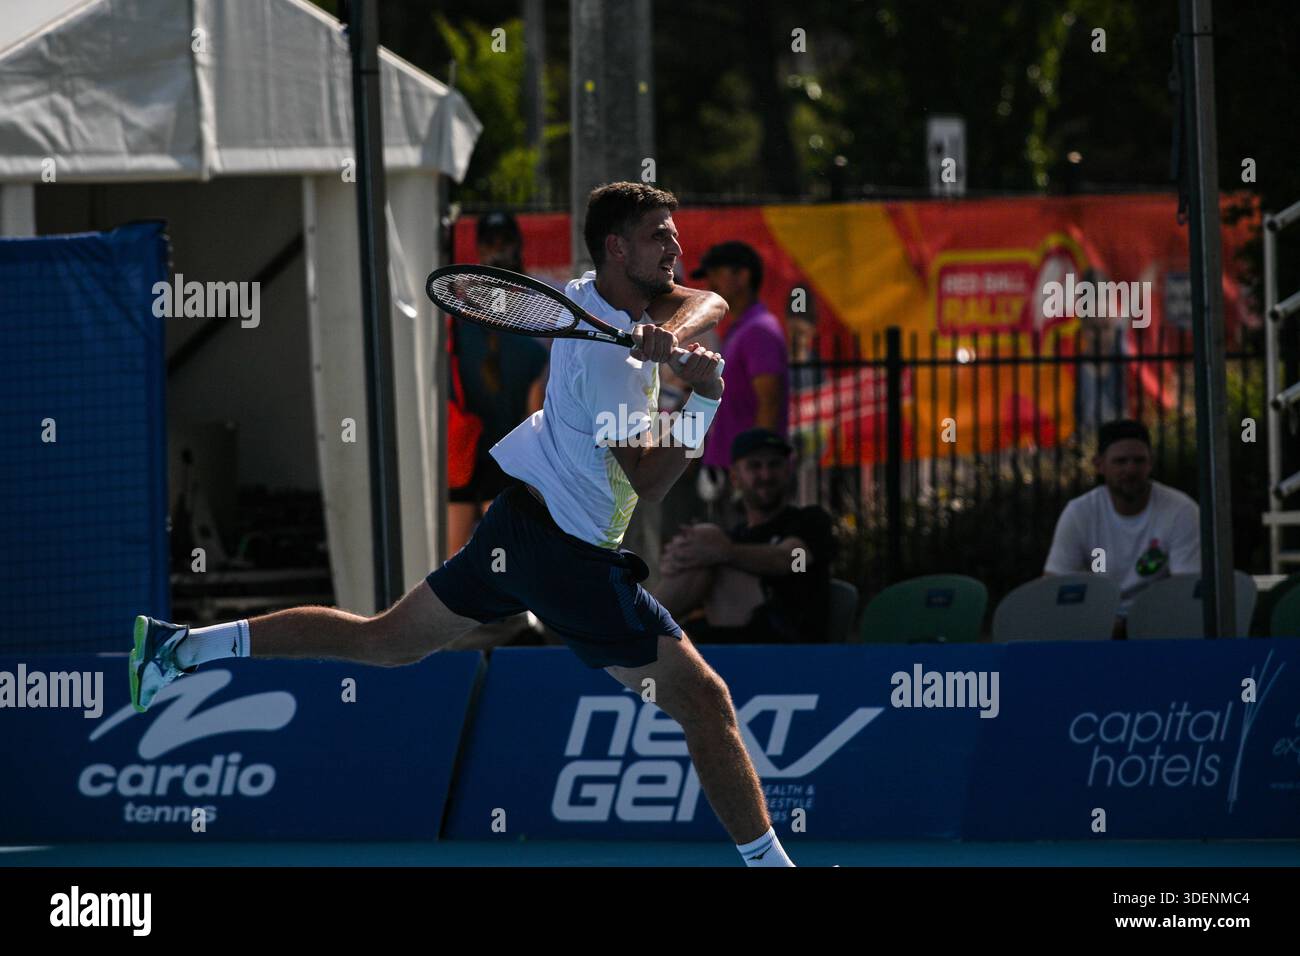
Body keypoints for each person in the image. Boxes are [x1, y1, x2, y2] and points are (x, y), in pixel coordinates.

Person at [129, 182, 798, 867]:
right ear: (618, 247)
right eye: (659, 234)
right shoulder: (611, 367)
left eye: (673, 233)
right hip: (570, 559)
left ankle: (179, 650)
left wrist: (670, 338)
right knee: (706, 703)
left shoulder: (594, 294)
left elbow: (706, 302)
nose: (675, 246)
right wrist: (703, 400)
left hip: (516, 527)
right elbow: (651, 485)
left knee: (384, 641)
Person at [656, 428, 837, 643]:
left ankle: (634, 628)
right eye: (754, 466)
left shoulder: (810, 520)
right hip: (730, 640)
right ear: (735, 477)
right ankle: (637, 629)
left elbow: (790, 559)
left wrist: (723, 552)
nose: (766, 475)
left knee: (706, 538)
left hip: (788, 642)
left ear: (788, 471)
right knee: (703, 539)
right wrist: (681, 556)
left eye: (775, 464)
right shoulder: (733, 536)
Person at [447, 211, 549, 557]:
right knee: (506, 554)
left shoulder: (461, 329)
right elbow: (535, 410)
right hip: (480, 454)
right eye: (490, 243)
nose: (497, 250)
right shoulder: (528, 344)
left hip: (485, 454)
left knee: (460, 560)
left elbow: (535, 406)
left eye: (503, 242)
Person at [1044, 418, 1200, 636]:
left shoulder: (1181, 510)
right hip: (1096, 629)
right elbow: (1054, 584)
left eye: (1138, 461)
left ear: (1150, 463)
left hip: (1161, 629)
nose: (1131, 469)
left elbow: (1186, 589)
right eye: (1120, 461)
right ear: (1099, 465)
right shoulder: (1079, 512)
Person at [692, 241, 789, 475]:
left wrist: (755, 469)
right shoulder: (743, 329)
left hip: (746, 479)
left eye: (716, 274)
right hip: (734, 472)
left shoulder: (759, 330)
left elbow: (769, 403)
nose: (710, 284)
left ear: (742, 276)